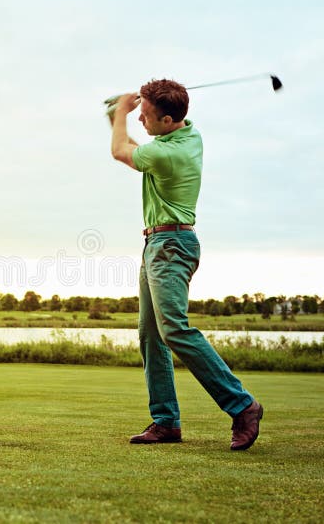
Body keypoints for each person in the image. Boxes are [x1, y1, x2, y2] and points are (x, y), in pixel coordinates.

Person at [109, 78, 263, 450]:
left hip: (171, 245)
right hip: (157, 244)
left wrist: (118, 116)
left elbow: (120, 151)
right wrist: (125, 115)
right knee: (151, 335)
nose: (141, 121)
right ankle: (166, 422)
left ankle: (243, 406)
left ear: (166, 119)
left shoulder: (166, 155)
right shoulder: (188, 135)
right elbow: (133, 146)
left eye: (146, 116)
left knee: (174, 330)